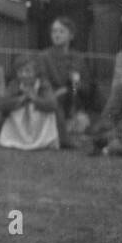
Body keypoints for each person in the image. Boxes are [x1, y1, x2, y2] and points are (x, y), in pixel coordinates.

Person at [37, 16, 96, 146]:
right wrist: (57, 93)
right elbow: (42, 80)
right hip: (51, 100)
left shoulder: (78, 58)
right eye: (54, 31)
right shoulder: (43, 56)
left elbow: (87, 86)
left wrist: (76, 86)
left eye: (61, 31)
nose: (56, 35)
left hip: (73, 102)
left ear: (71, 35)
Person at [0, 55, 60, 150]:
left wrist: (34, 99)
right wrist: (21, 99)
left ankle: (45, 141)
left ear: (36, 72)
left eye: (28, 71)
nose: (24, 75)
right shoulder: (14, 84)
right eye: (20, 71)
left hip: (40, 120)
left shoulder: (43, 84)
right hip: (19, 122)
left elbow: (52, 105)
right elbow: (3, 104)